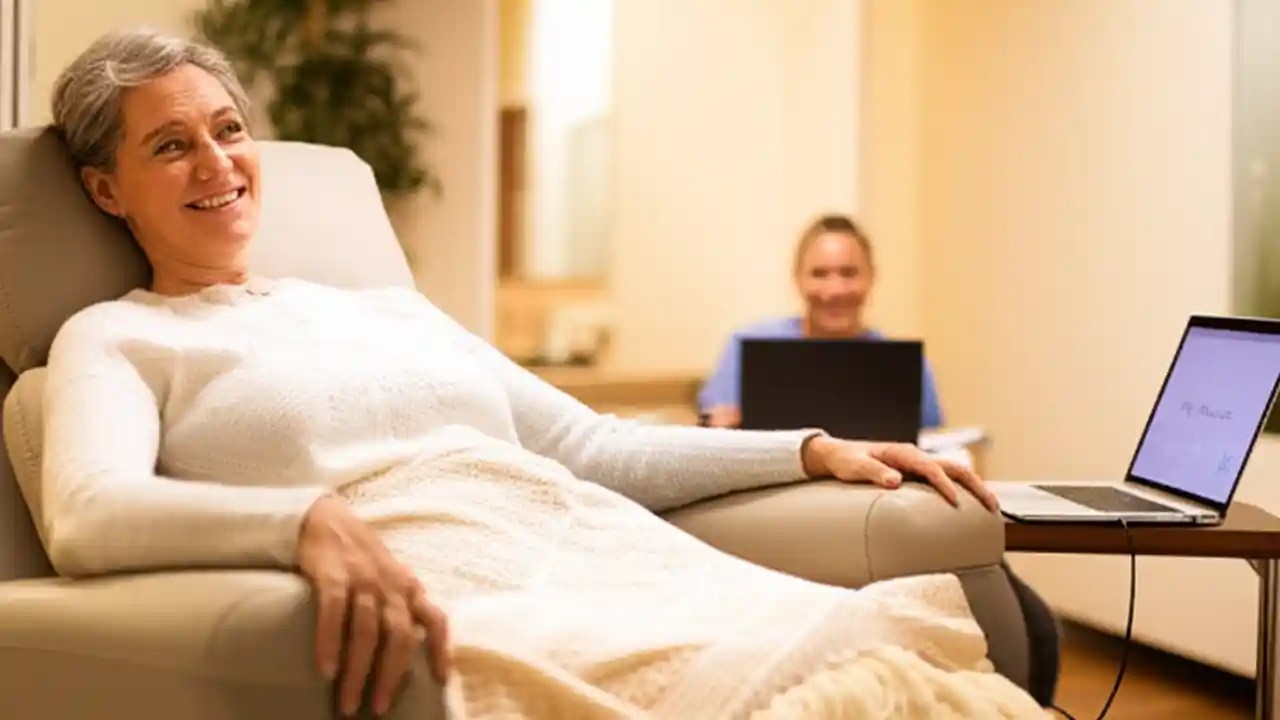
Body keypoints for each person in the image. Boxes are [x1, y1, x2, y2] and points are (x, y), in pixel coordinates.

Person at [39, 29, 1053, 719]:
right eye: (170, 146)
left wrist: (809, 449)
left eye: (226, 130)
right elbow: (90, 514)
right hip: (466, 590)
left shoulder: (383, 308)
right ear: (104, 188)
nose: (217, 164)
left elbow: (588, 443)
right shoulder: (118, 340)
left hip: (602, 550)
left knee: (891, 669)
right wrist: (299, 523)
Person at [700, 214, 945, 429]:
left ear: (872, 277)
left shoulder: (905, 367)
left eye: (849, 273)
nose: (835, 290)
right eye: (819, 274)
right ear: (797, 278)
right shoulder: (746, 346)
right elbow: (710, 431)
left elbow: (935, 442)